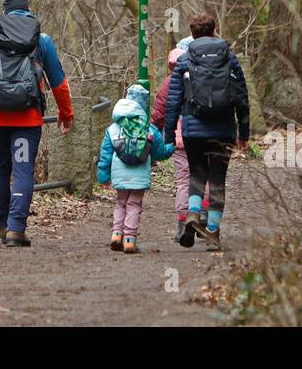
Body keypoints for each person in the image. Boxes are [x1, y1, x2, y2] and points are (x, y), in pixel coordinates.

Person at [0, 0, 73, 247]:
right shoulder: (41, 40)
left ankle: (1, 225)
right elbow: (59, 84)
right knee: (23, 171)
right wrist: (65, 113)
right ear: (28, 10)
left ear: (5, 11)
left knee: (0, 168)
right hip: (27, 118)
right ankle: (16, 229)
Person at [162, 13, 249, 251]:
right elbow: (242, 98)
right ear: (214, 30)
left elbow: (173, 101)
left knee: (197, 175)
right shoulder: (229, 59)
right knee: (217, 179)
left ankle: (192, 213)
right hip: (223, 130)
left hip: (192, 129)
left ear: (192, 33)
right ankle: (212, 232)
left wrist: (169, 134)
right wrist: (244, 133)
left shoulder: (184, 60)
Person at [97, 87, 174, 254]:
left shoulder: (114, 128)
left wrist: (103, 176)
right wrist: (171, 147)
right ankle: (129, 240)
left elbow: (105, 155)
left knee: (120, 203)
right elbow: (160, 153)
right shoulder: (149, 128)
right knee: (134, 204)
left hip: (119, 174)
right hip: (139, 176)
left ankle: (116, 235)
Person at [150, 48, 192, 243]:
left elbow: (158, 114)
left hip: (178, 139)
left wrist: (156, 134)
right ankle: (207, 219)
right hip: (201, 135)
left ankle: (182, 223)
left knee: (183, 180)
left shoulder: (168, 83)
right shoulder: (200, 77)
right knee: (205, 177)